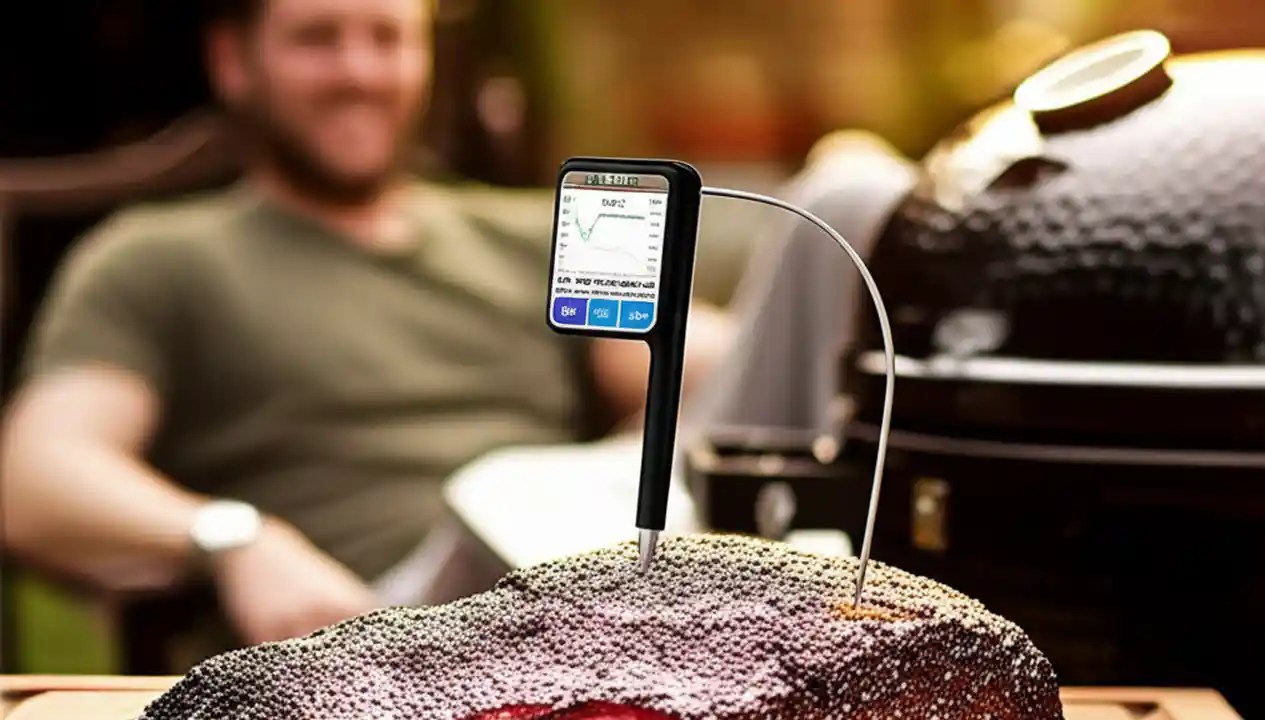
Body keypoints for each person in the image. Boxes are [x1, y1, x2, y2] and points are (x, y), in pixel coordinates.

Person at [1, 0, 732, 667]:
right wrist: (235, 537)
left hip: (600, 566)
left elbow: (717, 381)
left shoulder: (536, 235)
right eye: (317, 39)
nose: (358, 72)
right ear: (234, 61)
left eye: (386, 38)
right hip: (394, 620)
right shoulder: (162, 258)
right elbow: (35, 480)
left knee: (846, 194)